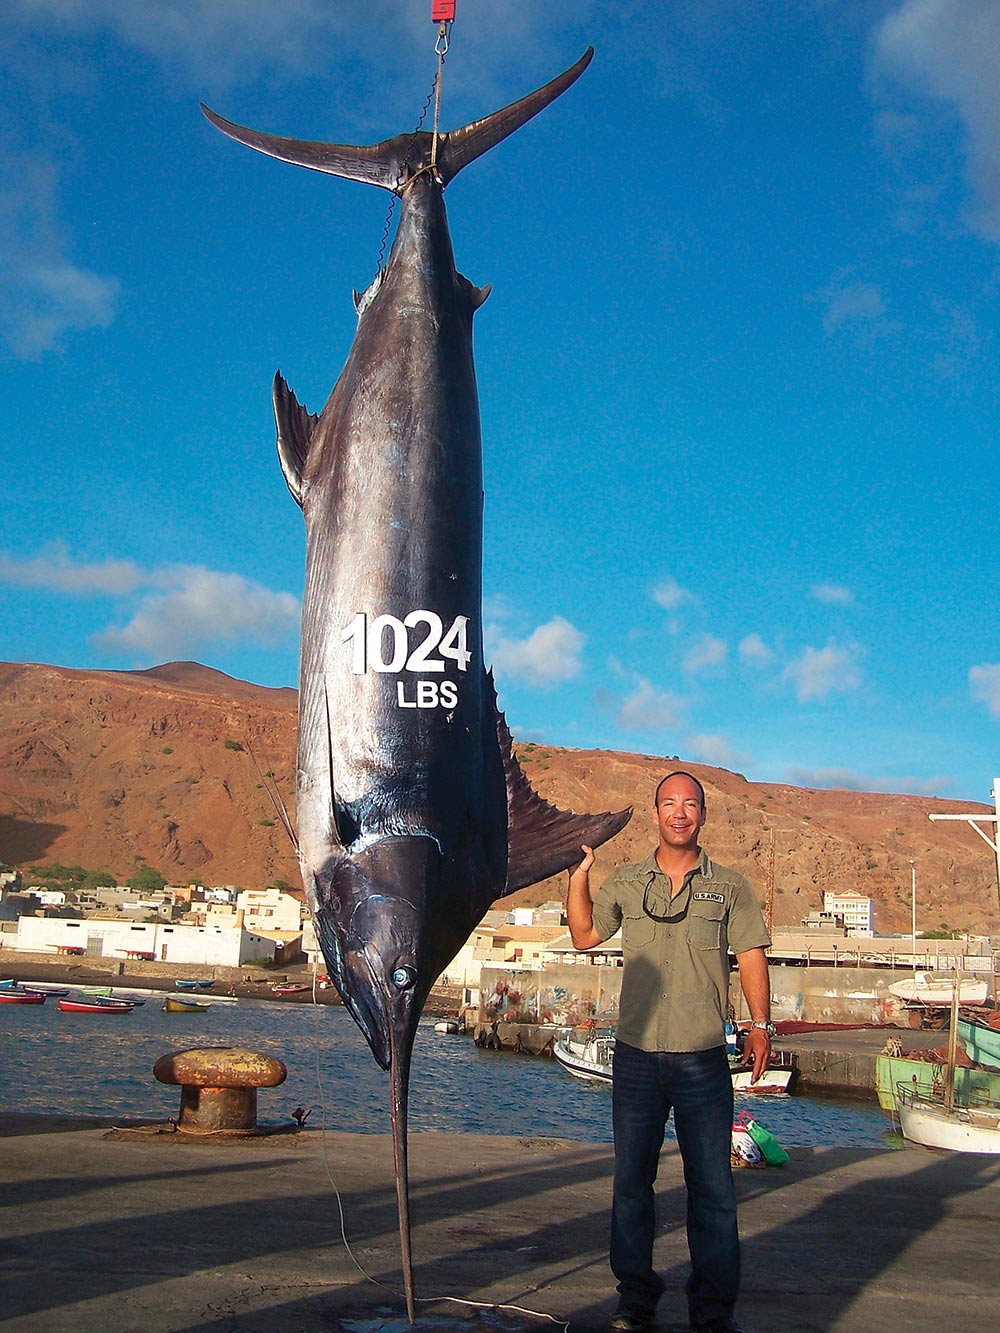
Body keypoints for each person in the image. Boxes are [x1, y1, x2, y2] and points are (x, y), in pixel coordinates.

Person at [567, 771, 773, 1333]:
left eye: (690, 805)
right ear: (655, 813)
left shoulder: (730, 887)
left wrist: (762, 1026)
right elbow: (584, 935)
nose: (679, 813)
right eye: (669, 804)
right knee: (631, 1185)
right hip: (636, 1057)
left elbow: (751, 955)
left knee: (713, 1191)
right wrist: (578, 875)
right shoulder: (626, 882)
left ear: (702, 815)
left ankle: (712, 1311)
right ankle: (636, 1299)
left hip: (703, 1058)